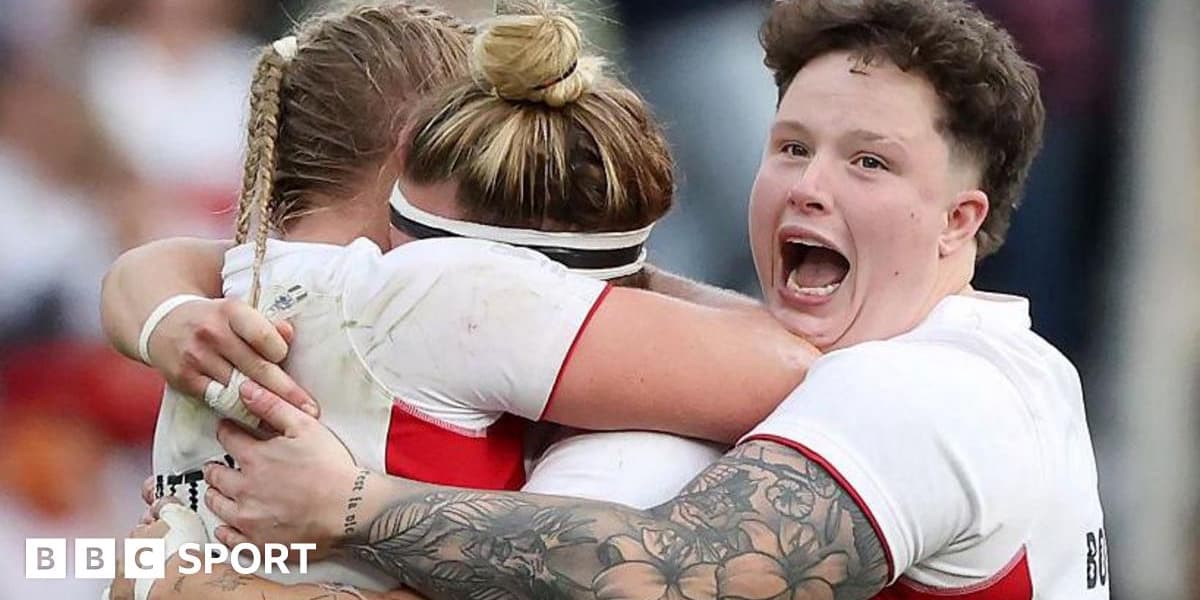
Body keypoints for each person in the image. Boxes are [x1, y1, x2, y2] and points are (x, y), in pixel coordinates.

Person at [148, 0, 1107, 598]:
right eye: (791, 146)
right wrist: (157, 311)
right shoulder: (1009, 365)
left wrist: (351, 507)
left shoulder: (922, 394)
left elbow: (663, 574)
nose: (809, 186)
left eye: (869, 161)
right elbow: (176, 265)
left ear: (958, 220)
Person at [102, 1, 818, 597]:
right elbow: (790, 366)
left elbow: (163, 268)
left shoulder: (228, 297)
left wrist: (157, 309)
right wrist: (607, 260)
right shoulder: (442, 290)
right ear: (418, 147)